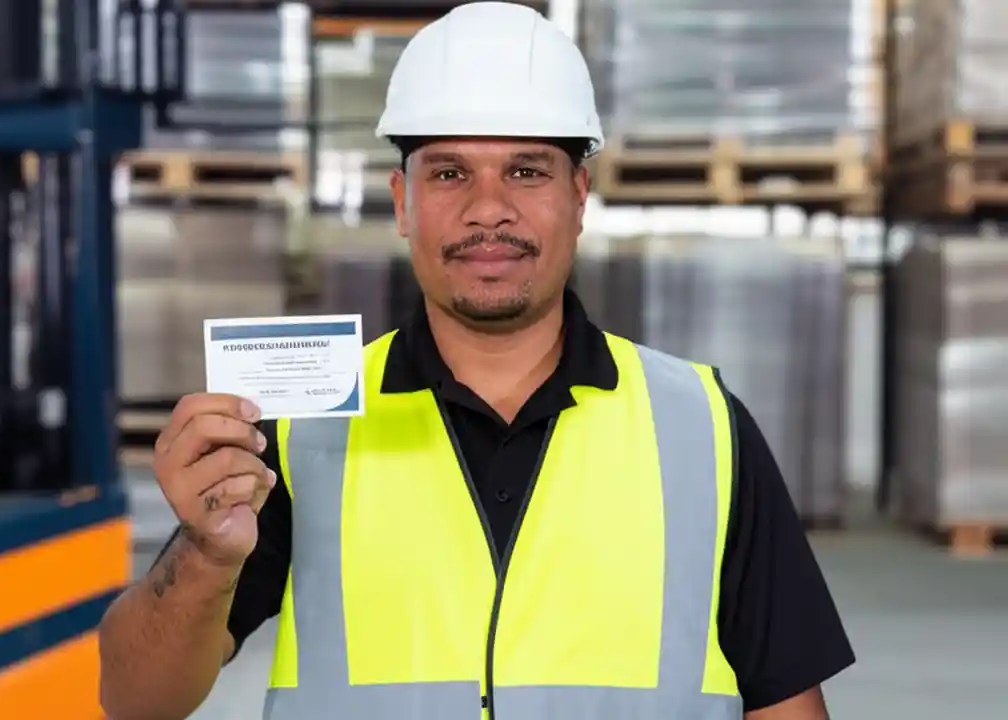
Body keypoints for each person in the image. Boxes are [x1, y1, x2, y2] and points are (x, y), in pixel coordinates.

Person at [98, 3, 855, 719]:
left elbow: (786, 703)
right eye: (450, 173)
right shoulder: (303, 432)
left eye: (526, 171)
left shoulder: (702, 429)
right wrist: (206, 555)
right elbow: (135, 699)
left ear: (579, 196)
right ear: (403, 201)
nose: (488, 209)